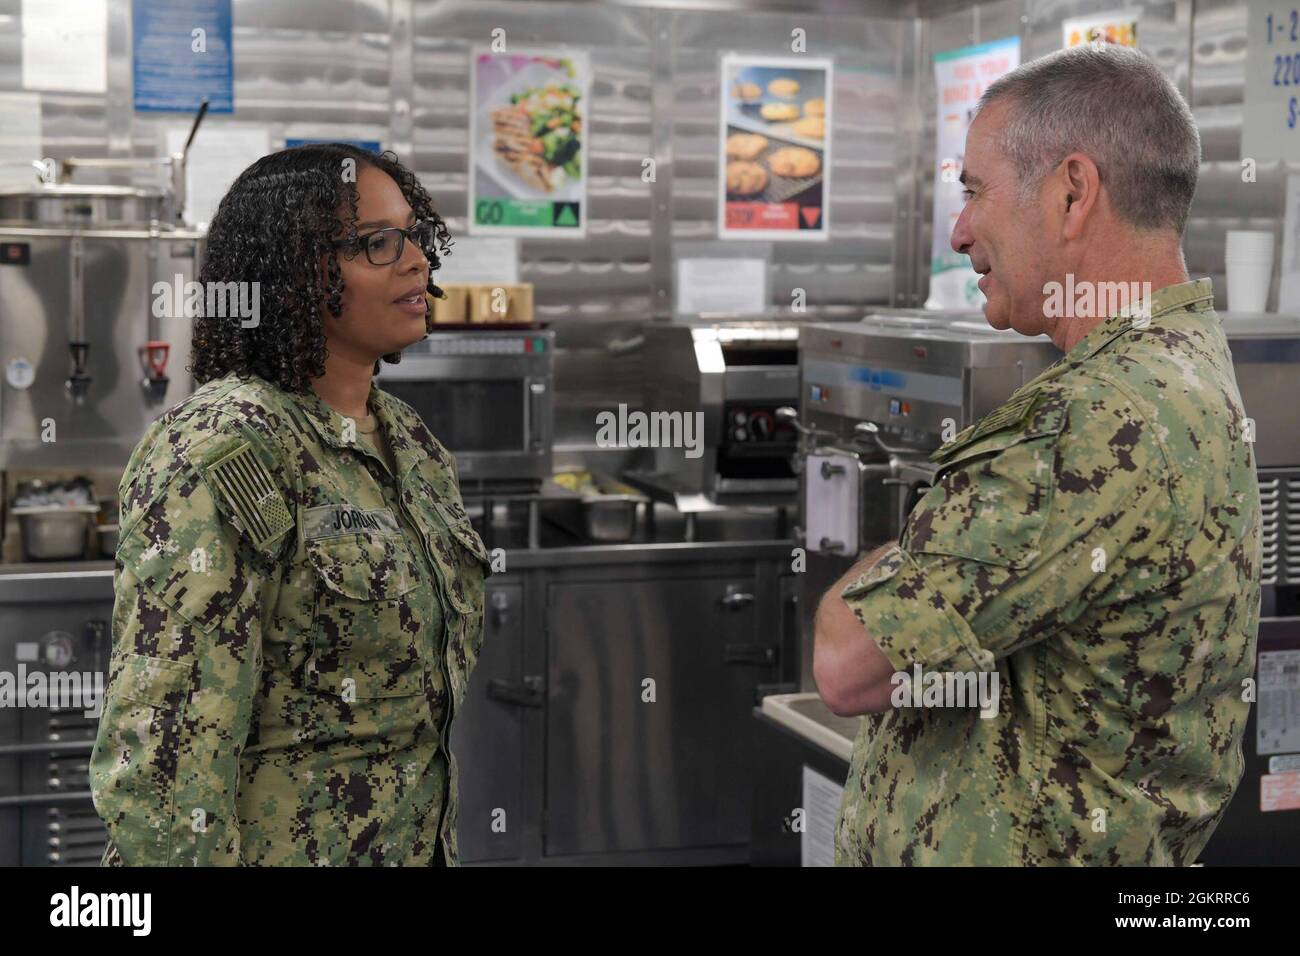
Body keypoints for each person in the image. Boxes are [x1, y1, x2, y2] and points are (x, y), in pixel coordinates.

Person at [814, 44, 1261, 865]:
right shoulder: (1181, 361)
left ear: (1071, 192)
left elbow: (847, 661)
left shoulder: (1097, 417)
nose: (959, 231)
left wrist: (910, 546)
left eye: (975, 192)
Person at [89, 144, 491, 865]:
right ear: (292, 277)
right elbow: (168, 755)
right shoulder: (228, 446)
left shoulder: (411, 443)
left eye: (415, 237)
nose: (417, 264)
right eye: (377, 243)